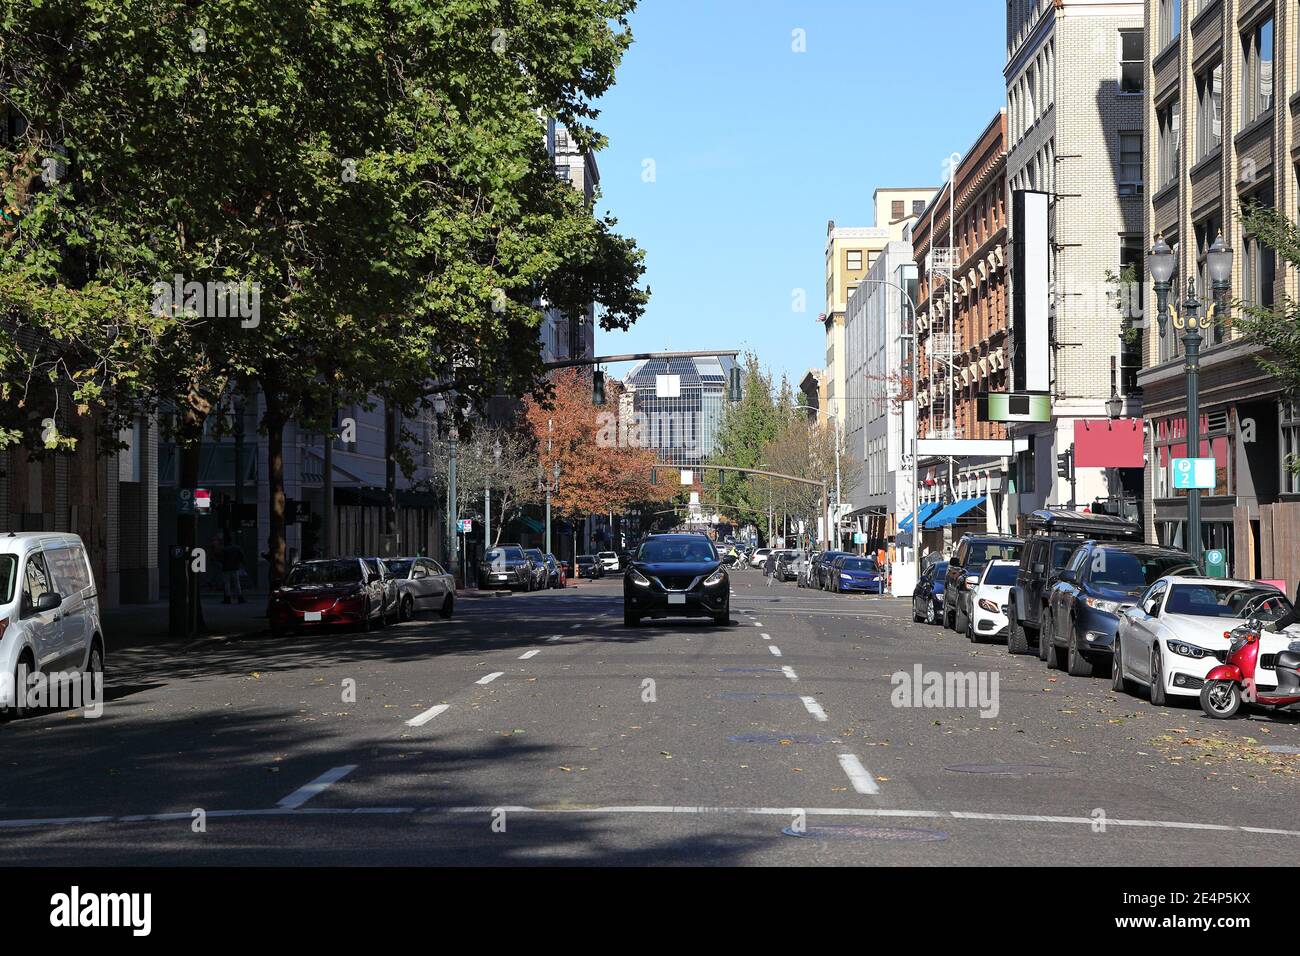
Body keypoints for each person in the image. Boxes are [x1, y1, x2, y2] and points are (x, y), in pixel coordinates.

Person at [220, 536, 246, 604]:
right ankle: (239, 597)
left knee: (227, 584)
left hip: (226, 568)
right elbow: (242, 556)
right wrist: (238, 562)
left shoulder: (224, 549)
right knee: (237, 583)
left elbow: (221, 559)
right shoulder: (237, 548)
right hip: (235, 567)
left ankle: (228, 598)